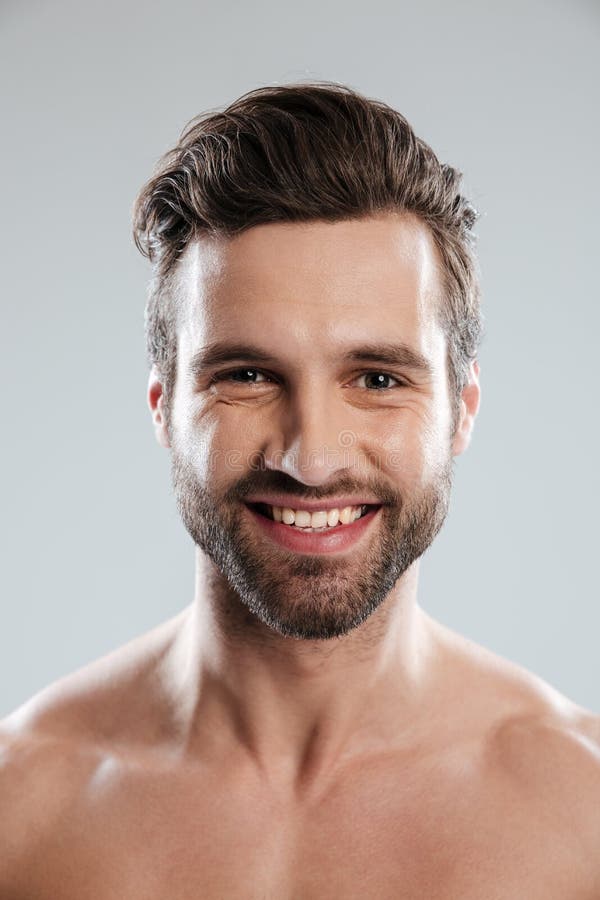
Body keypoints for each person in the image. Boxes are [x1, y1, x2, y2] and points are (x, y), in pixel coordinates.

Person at [1, 83, 599, 899]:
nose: (310, 458)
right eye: (246, 375)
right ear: (163, 408)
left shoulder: (583, 815)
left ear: (461, 411)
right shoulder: (22, 808)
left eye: (378, 378)